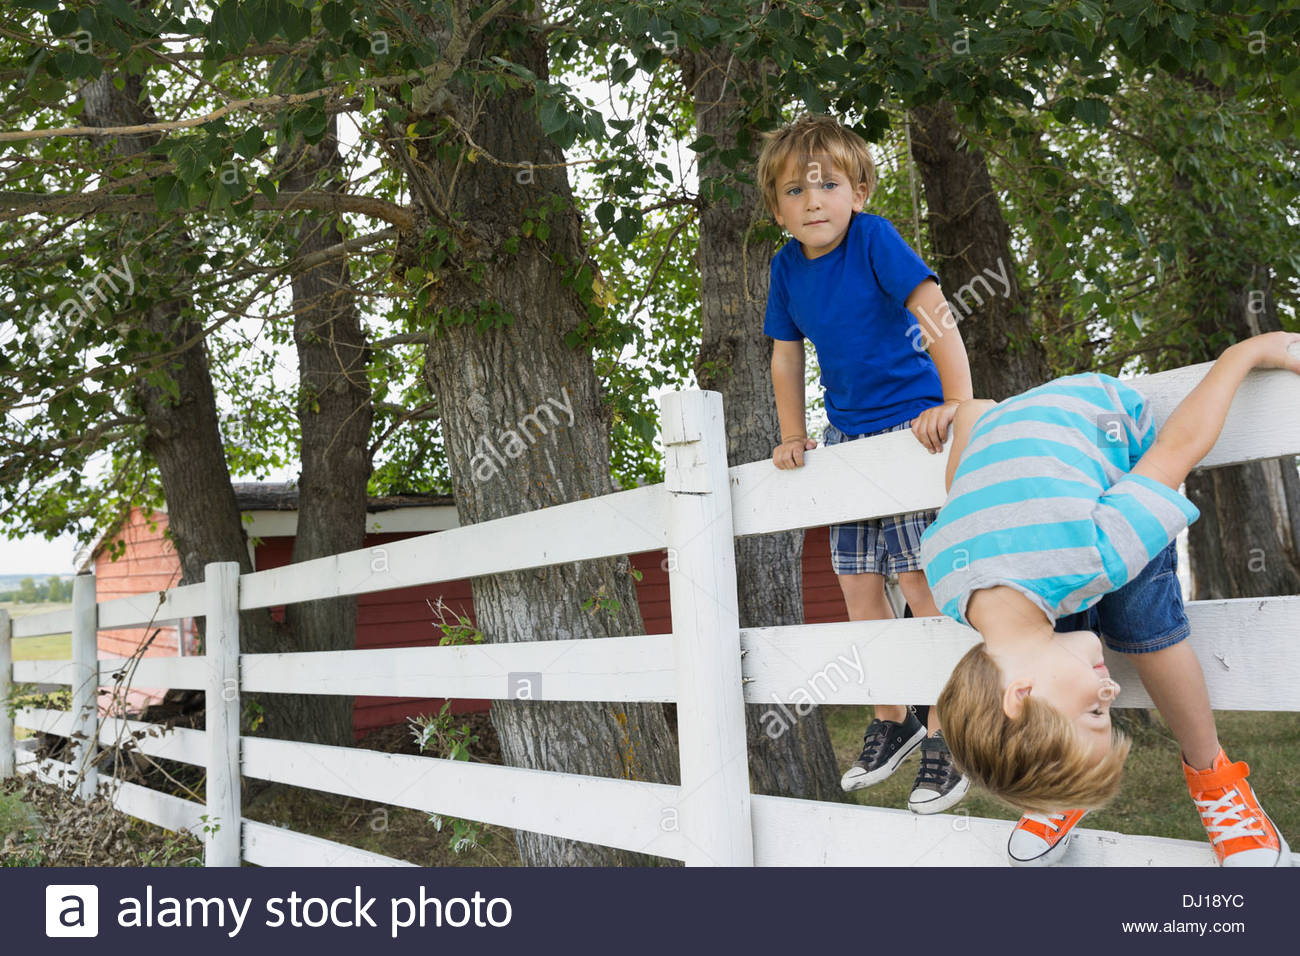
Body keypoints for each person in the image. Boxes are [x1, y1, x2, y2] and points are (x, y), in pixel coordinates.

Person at [924, 331, 1300, 866]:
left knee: (1137, 616)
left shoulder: (1098, 550)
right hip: (1009, 427)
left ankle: (1213, 777)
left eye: (1093, 711)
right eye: (1107, 707)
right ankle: (1056, 778)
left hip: (1105, 415)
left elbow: (1180, 446)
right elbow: (962, 485)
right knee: (1058, 612)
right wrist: (971, 416)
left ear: (1020, 694)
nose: (1109, 688)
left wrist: (1245, 354)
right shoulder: (945, 580)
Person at [758, 113, 973, 813]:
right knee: (856, 585)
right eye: (794, 190)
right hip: (848, 440)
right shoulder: (786, 268)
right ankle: (894, 716)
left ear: (859, 190)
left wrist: (958, 402)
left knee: (917, 578)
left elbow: (933, 309)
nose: (812, 200)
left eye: (827, 185)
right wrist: (793, 434)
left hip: (914, 430)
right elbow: (786, 354)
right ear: (776, 207)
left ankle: (950, 727)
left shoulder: (874, 240)